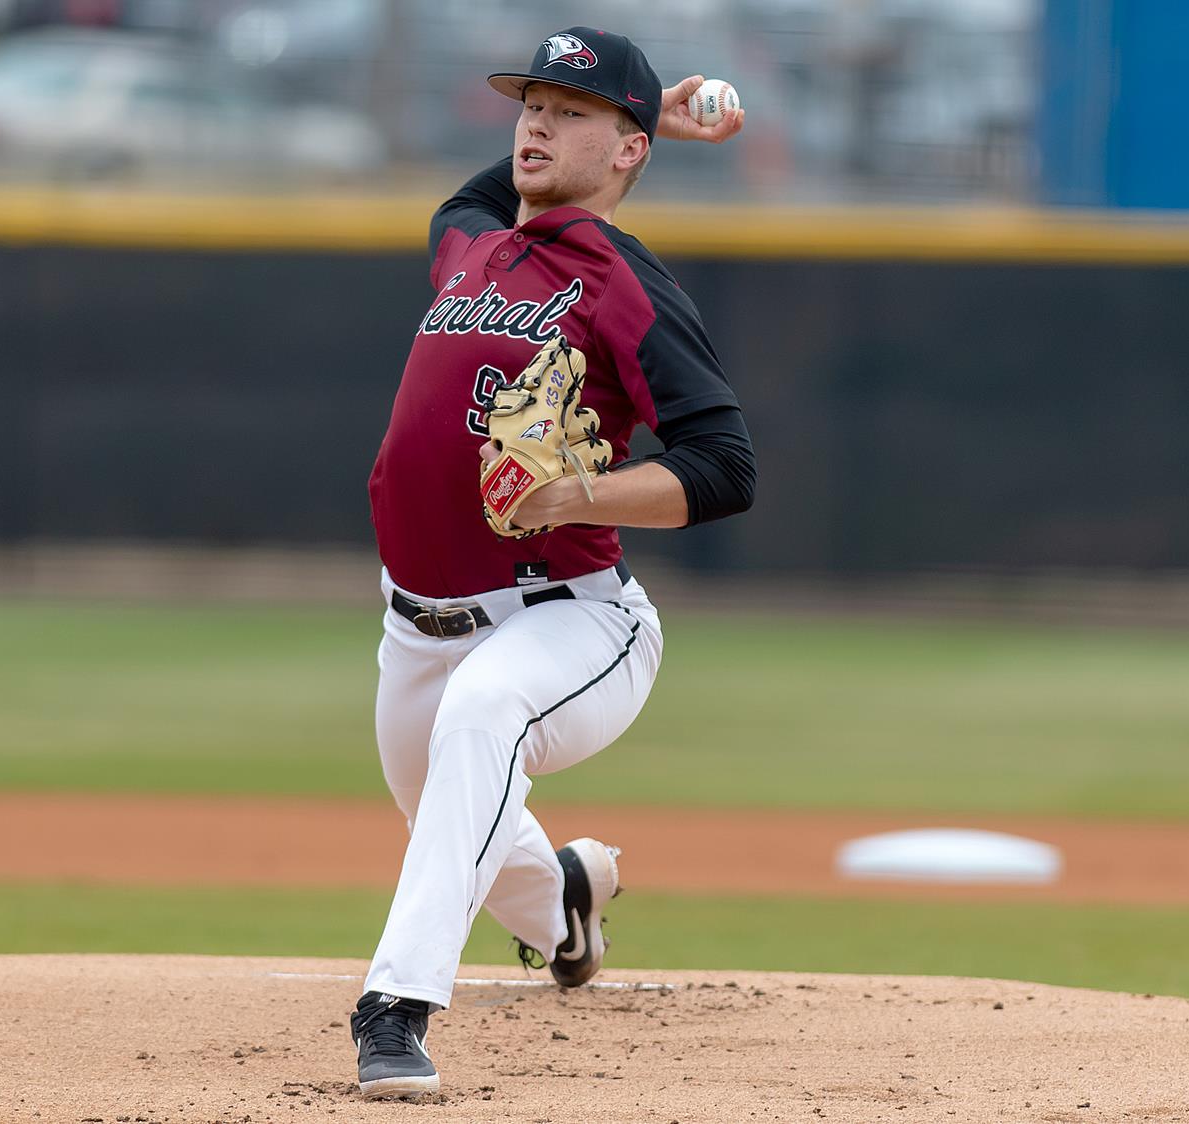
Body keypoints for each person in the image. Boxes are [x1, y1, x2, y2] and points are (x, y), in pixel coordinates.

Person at [352, 26, 754, 1100]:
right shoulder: (468, 245)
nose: (536, 121)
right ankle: (566, 896)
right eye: (531, 103)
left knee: (482, 715)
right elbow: (472, 192)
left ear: (624, 156)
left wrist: (581, 493)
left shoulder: (626, 282)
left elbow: (724, 465)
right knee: (459, 811)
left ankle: (394, 1007)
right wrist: (642, 111)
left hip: (569, 616)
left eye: (570, 111)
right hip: (413, 621)